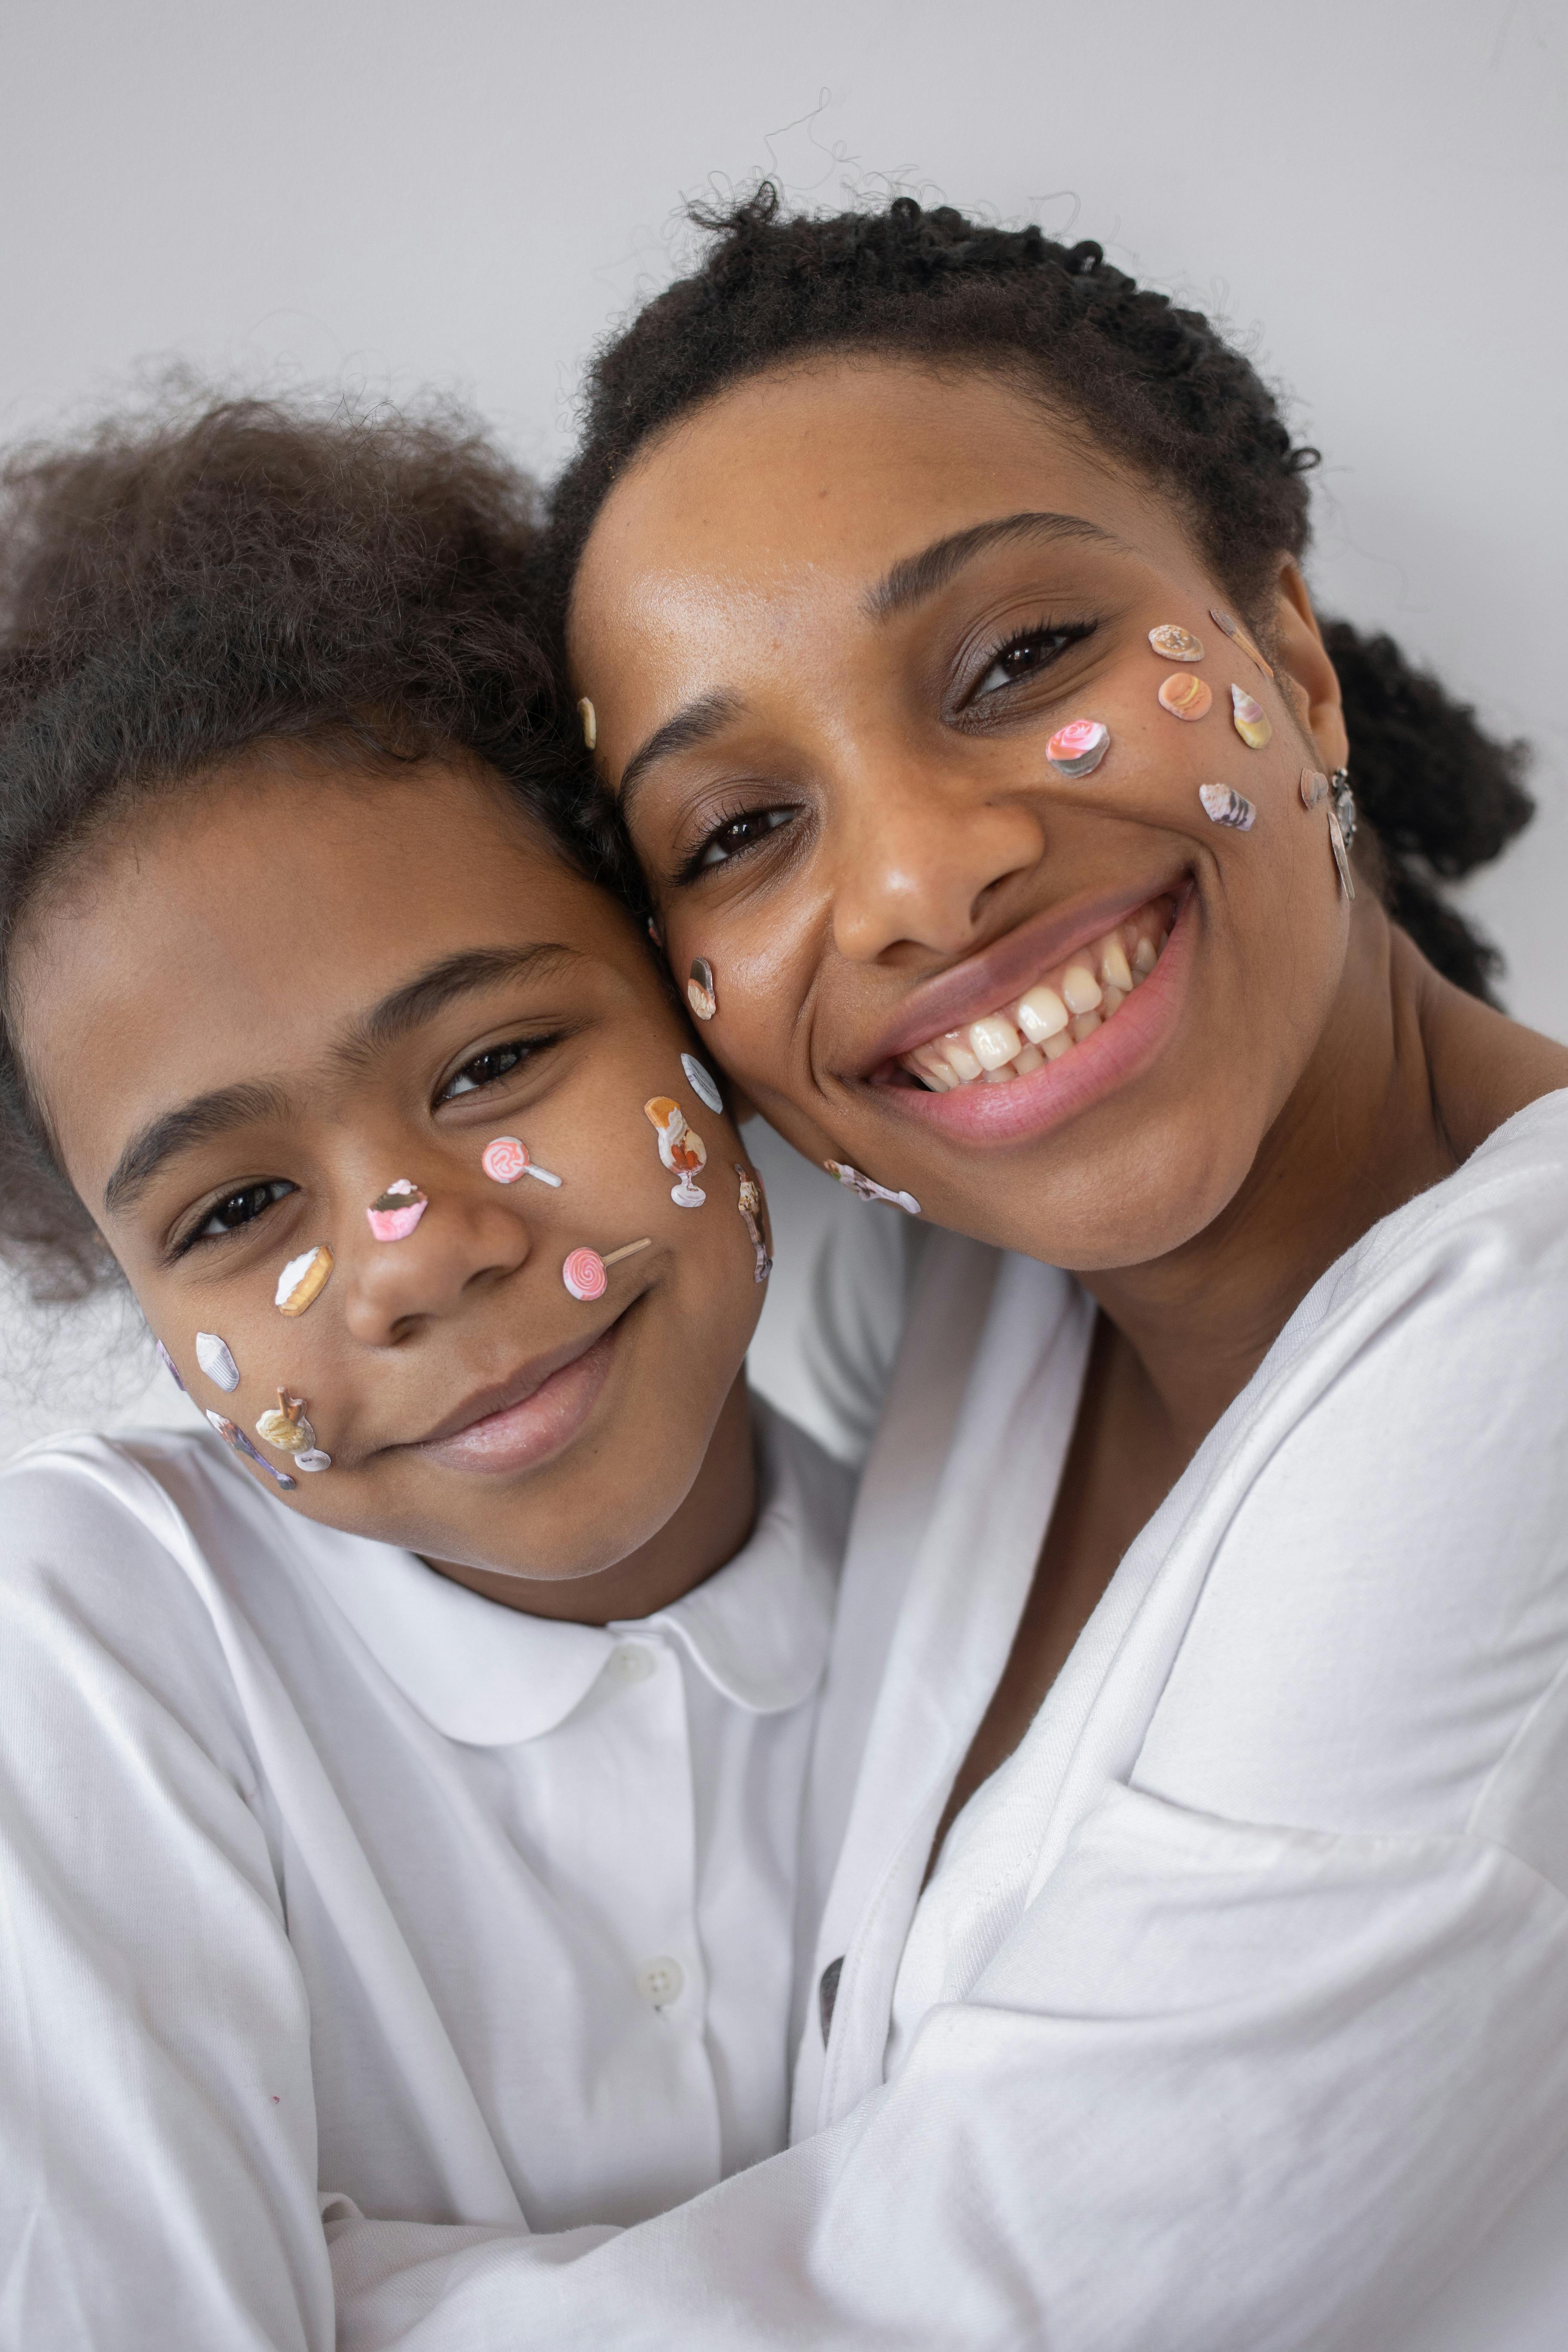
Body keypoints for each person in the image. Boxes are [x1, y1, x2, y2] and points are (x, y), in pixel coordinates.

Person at [318, 193, 1568, 2349]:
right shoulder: (971, 1313)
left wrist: (213, 2247)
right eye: (736, 834)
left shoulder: (1531, 1368)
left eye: (1018, 662)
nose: (918, 881)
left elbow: (947, 2316)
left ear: (1287, 656)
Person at [0, 395, 858, 2349]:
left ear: (686, 990)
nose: (417, 1254)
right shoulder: (84, 1639)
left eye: (491, 1067)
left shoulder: (985, 1562)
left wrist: (391, 2298)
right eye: (231, 1214)